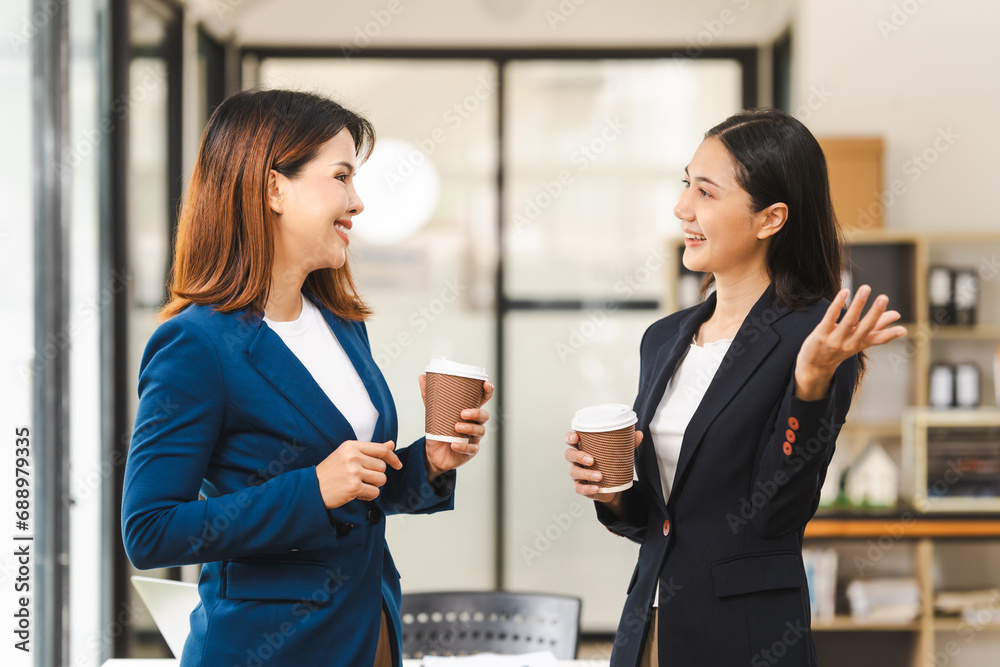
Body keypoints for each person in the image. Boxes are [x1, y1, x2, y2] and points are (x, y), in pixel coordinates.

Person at [121, 88, 493, 667]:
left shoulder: (340, 323)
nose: (358, 202)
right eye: (342, 177)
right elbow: (150, 530)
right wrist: (311, 490)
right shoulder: (195, 344)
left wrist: (431, 464)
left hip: (369, 632)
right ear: (273, 188)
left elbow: (357, 492)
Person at [563, 108, 907, 666]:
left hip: (745, 639)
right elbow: (658, 518)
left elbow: (778, 511)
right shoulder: (664, 338)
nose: (682, 208)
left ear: (770, 219)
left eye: (706, 192)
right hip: (648, 630)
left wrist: (811, 381)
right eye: (685, 185)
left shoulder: (815, 338)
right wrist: (613, 491)